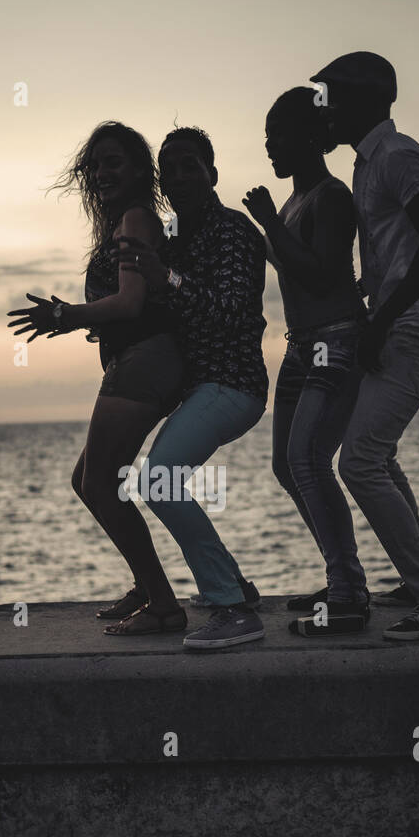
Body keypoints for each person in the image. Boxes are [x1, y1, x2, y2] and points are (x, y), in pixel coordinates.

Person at [309, 51, 419, 640]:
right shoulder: (366, 163)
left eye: (330, 98)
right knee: (378, 453)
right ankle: (417, 581)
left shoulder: (398, 156)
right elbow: (397, 250)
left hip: (418, 326)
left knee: (360, 460)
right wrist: (371, 299)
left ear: (363, 100)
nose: (323, 111)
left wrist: (384, 318)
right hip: (401, 322)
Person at [8, 122, 187, 633]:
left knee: (99, 484)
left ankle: (164, 606)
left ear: (138, 170)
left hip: (146, 361)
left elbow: (131, 302)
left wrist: (66, 316)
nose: (101, 172)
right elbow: (129, 303)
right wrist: (94, 323)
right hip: (138, 360)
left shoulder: (135, 219)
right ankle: (146, 584)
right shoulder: (123, 222)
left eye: (114, 162)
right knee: (88, 482)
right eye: (95, 164)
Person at [112, 127, 268, 650]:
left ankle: (231, 609)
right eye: (169, 170)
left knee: (158, 480)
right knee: (159, 480)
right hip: (202, 388)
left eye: (190, 166)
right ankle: (236, 588)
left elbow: (231, 311)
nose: (178, 177)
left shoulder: (235, 232)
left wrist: (167, 280)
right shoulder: (178, 241)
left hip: (234, 384)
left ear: (213, 174)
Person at [242, 87, 369, 636]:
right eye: (267, 136)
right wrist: (257, 232)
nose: (269, 145)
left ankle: (348, 595)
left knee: (310, 460)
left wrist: (270, 225)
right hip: (300, 347)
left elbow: (319, 273)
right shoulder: (293, 203)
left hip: (336, 343)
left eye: (279, 134)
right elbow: (291, 266)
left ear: (310, 138)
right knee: (285, 465)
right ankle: (341, 575)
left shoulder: (332, 197)